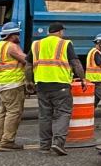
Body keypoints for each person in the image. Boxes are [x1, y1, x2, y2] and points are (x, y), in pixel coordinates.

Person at [31, 22, 86, 156]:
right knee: (63, 113)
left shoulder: (37, 44)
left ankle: (44, 146)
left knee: (45, 116)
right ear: (60, 32)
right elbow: (75, 63)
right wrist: (83, 79)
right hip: (60, 85)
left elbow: (28, 64)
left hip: (42, 85)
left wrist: (29, 81)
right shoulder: (65, 44)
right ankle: (58, 143)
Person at [0, 23, 32, 150]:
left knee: (3, 113)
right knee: (14, 112)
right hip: (13, 84)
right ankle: (7, 142)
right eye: (17, 34)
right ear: (11, 35)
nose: (19, 36)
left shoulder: (0, 45)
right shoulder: (12, 46)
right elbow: (27, 60)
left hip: (3, 84)